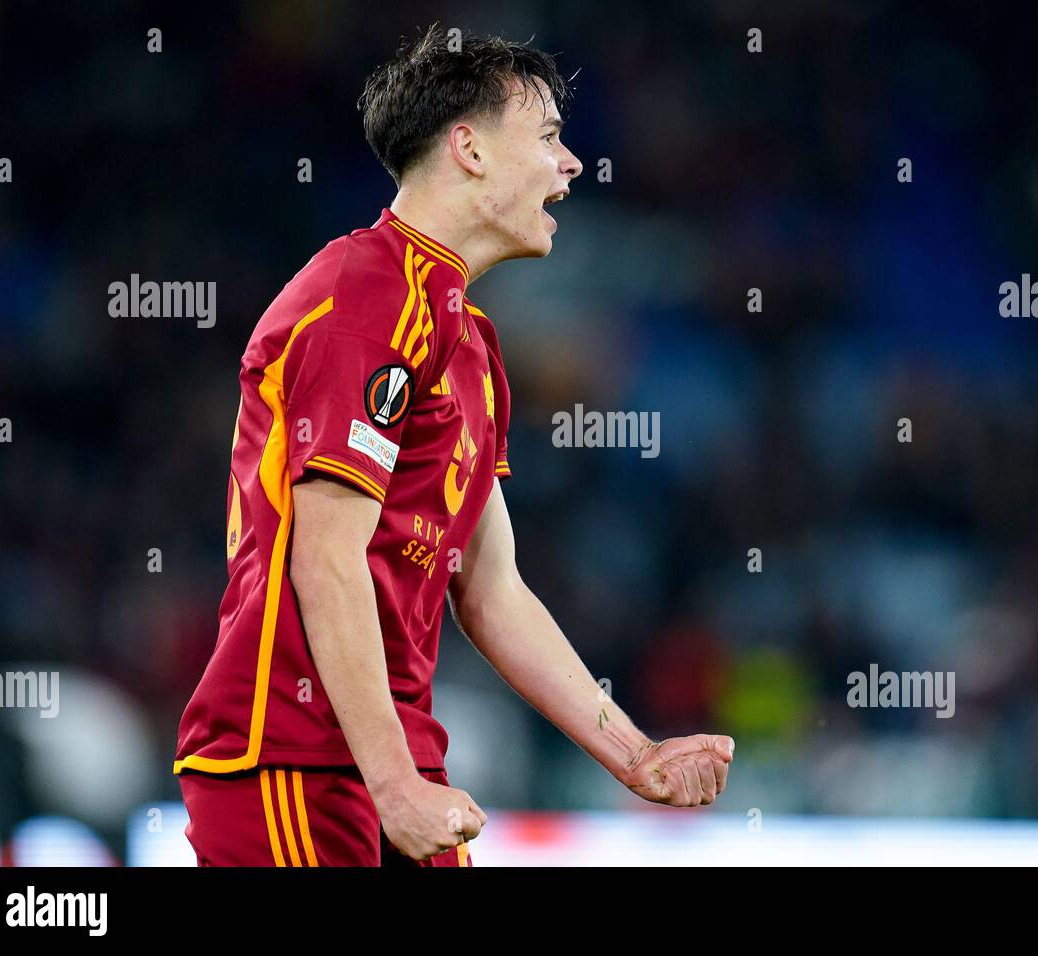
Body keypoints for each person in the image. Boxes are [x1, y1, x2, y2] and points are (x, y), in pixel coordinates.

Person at [173, 25, 734, 867]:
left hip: (387, 763)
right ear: (468, 148)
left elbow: (493, 589)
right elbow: (327, 558)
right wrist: (394, 783)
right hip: (292, 762)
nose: (571, 163)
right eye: (547, 137)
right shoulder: (364, 297)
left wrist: (635, 755)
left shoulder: (467, 340)